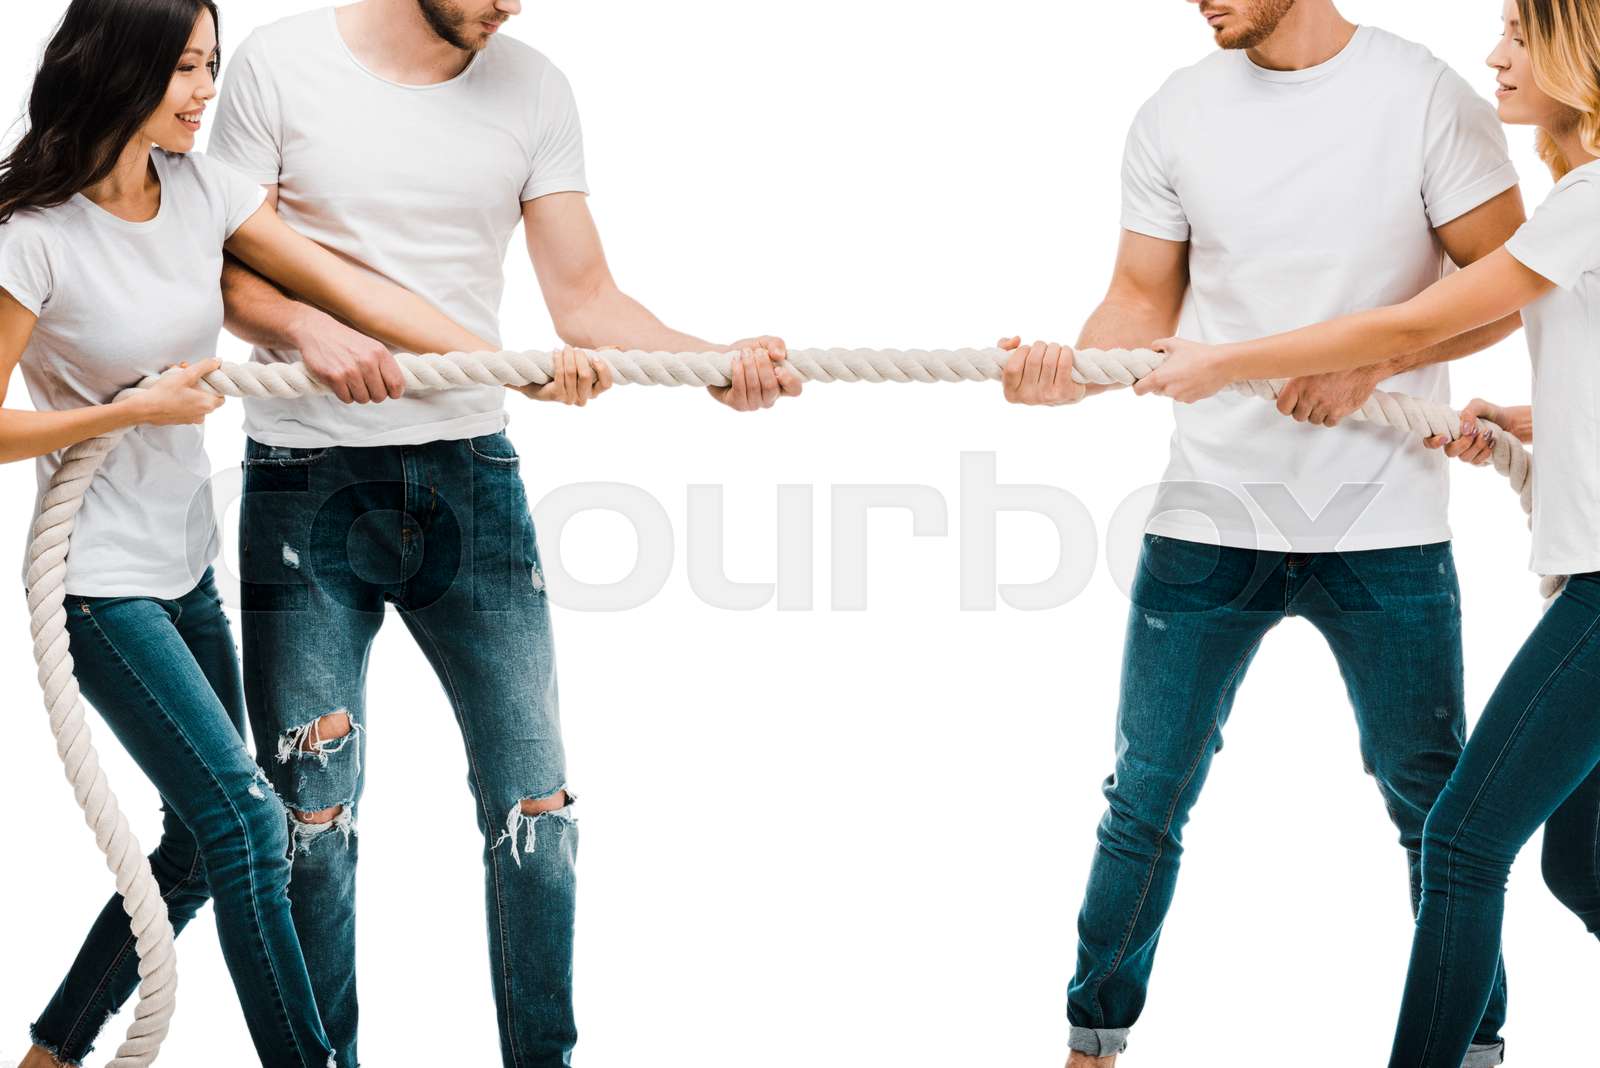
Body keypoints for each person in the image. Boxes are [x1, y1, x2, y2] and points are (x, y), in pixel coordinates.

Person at [206, 2, 797, 1064]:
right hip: (303, 483)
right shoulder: (275, 61)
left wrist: (713, 363)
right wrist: (306, 325)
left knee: (537, 816)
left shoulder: (534, 87)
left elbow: (585, 299)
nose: (511, 5)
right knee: (311, 819)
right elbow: (228, 263)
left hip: (466, 478)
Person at [1000, 1, 1530, 1065]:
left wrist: (1372, 367)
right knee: (1146, 793)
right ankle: (1092, 1040)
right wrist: (1070, 376)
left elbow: (1510, 287)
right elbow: (1137, 304)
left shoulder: (1426, 95)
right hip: (1207, 517)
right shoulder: (1174, 112)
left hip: (1384, 525)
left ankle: (1476, 1048)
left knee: (1436, 807)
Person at [0, 1, 509, 1065]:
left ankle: (52, 1051)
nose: (203, 93)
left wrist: (516, 368)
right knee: (248, 822)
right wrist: (126, 409)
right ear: (119, 66)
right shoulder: (31, 237)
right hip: (96, 583)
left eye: (212, 66)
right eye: (184, 68)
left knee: (198, 845)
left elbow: (346, 286)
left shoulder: (200, 192)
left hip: (183, 571)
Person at [1136, 2, 1600, 1062]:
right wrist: (1548, 423)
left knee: (1461, 838)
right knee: (1580, 868)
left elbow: (1410, 323)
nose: (1494, 54)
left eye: (1520, 38)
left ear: (1581, 55)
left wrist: (1224, 359)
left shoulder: (1585, 198)